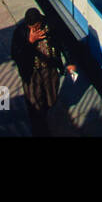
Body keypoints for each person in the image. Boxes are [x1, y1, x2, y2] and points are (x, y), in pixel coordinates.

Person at [10, 8, 76, 137]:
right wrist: (30, 42)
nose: (34, 29)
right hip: (31, 72)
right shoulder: (20, 32)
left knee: (50, 98)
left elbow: (62, 43)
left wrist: (69, 61)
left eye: (36, 26)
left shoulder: (50, 25)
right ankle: (39, 128)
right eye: (31, 27)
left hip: (49, 68)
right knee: (34, 103)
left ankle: (44, 114)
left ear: (40, 22)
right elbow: (16, 54)